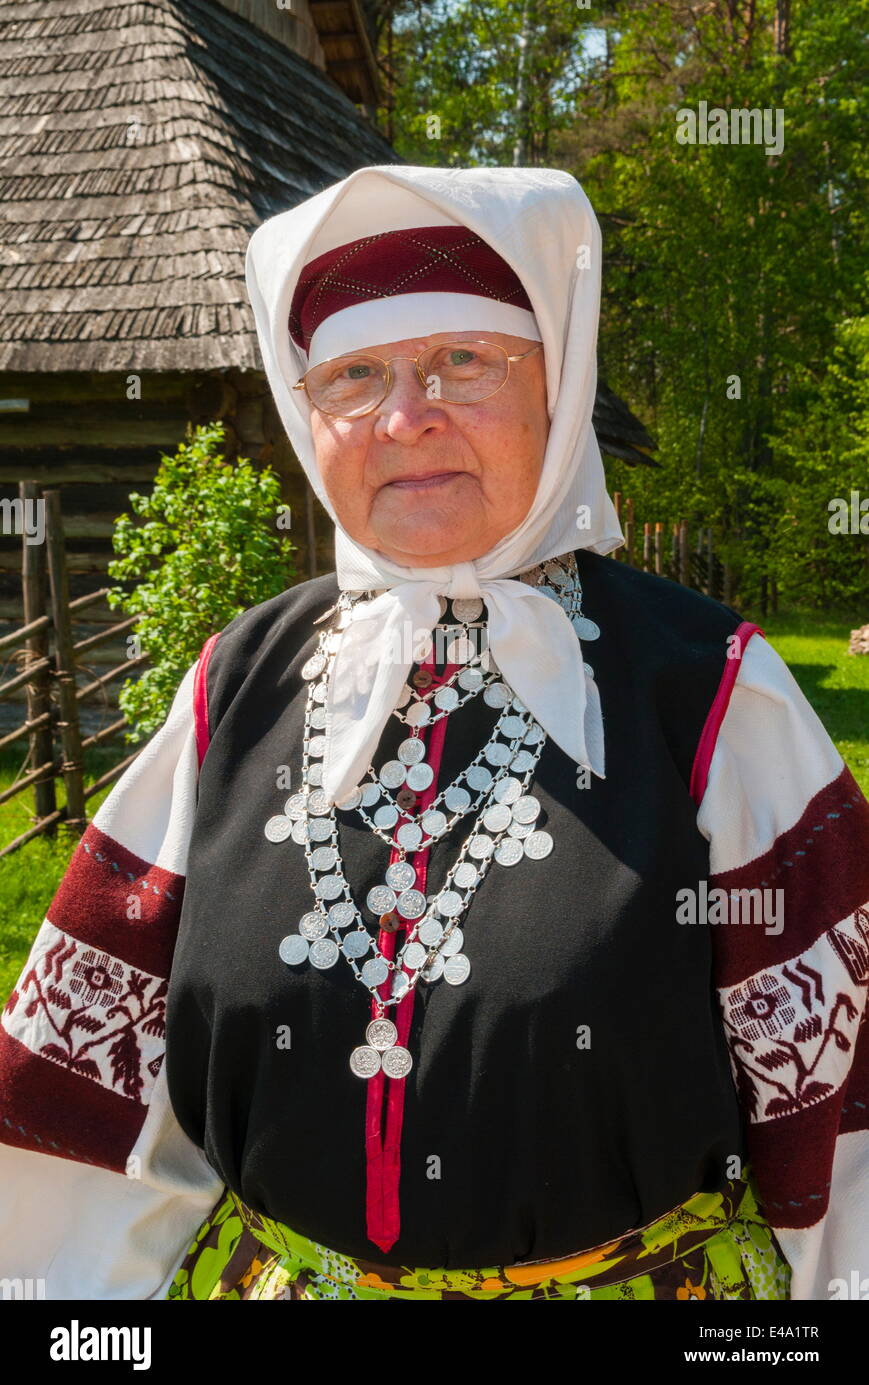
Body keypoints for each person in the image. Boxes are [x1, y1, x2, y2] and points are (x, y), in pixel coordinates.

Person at [0, 165, 866, 1302]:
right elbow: (82, 1122)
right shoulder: (234, 687)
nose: (405, 416)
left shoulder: (706, 690)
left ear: (558, 387)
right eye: (354, 375)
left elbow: (844, 1140)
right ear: (308, 415)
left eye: (465, 361)